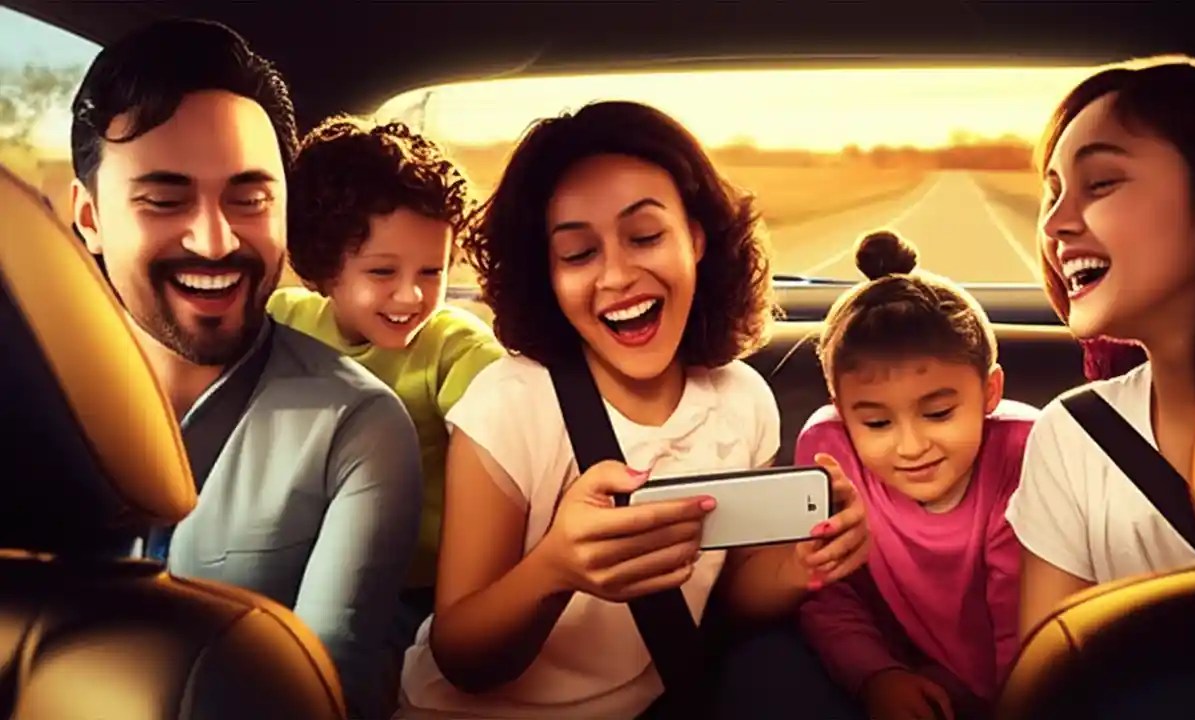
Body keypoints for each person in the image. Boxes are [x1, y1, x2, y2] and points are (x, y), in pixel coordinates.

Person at [396, 100, 871, 719]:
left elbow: (730, 594)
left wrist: (805, 565)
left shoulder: (743, 401)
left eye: (645, 237)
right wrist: (555, 569)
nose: (616, 276)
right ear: (547, 274)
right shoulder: (509, 402)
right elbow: (461, 656)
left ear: (696, 238)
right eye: (577, 254)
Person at [69, 19, 422, 719]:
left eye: (250, 198)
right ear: (89, 218)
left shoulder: (356, 426)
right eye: (165, 200)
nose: (214, 239)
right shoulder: (27, 402)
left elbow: (329, 685)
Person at [1006, 54, 1195, 639]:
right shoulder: (1072, 438)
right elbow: (1052, 678)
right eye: (1050, 194)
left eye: (1100, 183)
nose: (1054, 225)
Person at [267, 116, 505, 641]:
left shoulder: (453, 348)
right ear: (323, 268)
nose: (411, 297)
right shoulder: (284, 319)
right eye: (382, 272)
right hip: (306, 572)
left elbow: (509, 418)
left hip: (422, 592)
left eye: (431, 271)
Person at [795, 230, 1036, 720]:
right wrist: (877, 675)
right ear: (840, 412)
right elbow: (829, 590)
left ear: (990, 392)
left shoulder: (1026, 452)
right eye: (878, 423)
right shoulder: (831, 454)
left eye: (940, 413)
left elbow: (1026, 617)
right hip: (921, 673)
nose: (911, 447)